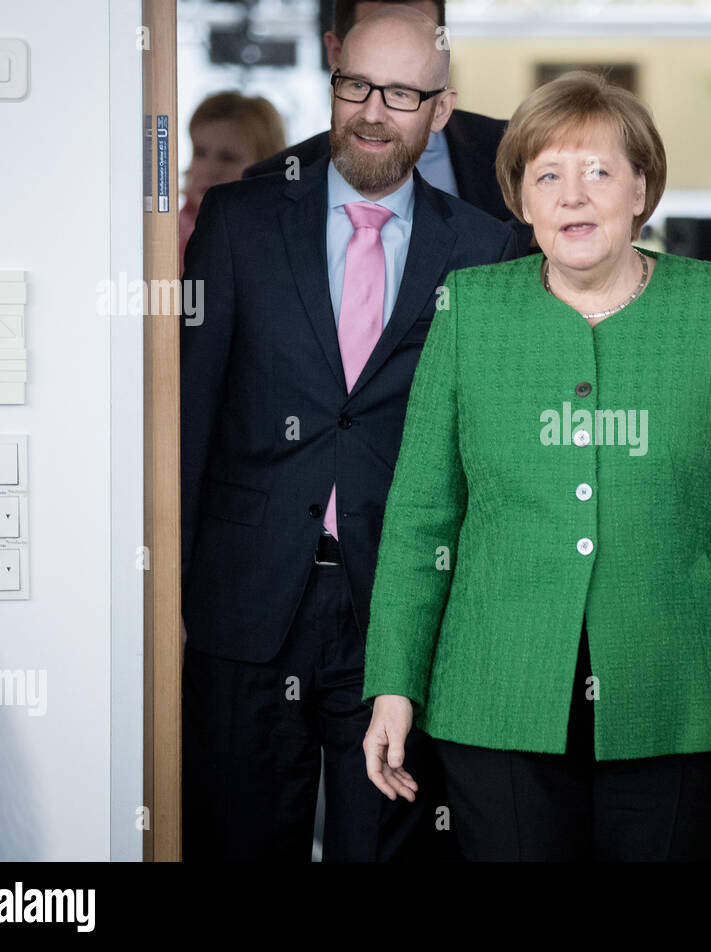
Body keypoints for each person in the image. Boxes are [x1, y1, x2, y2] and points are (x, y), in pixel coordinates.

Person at [360, 70, 711, 862]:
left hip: (681, 698)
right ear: (523, 199)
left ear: (641, 187)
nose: (573, 196)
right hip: (496, 697)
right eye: (549, 176)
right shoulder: (469, 308)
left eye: (598, 172)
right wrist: (392, 684)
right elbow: (420, 514)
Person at [180, 7, 521, 862]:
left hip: (400, 613)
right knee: (240, 841)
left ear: (441, 110)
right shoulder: (239, 223)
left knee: (388, 850)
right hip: (247, 604)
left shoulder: (487, 251)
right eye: (356, 86)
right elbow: (190, 419)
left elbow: (489, 456)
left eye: (402, 94)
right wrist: (169, 598)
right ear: (333, 83)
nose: (373, 111)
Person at [244, 0, 528, 245]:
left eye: (418, 33)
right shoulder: (266, 188)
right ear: (336, 52)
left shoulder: (523, 151)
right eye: (375, 33)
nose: (373, 114)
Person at [179, 91, 285, 267]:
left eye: (228, 158)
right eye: (199, 152)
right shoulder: (165, 233)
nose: (208, 170)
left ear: (265, 167)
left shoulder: (280, 241)